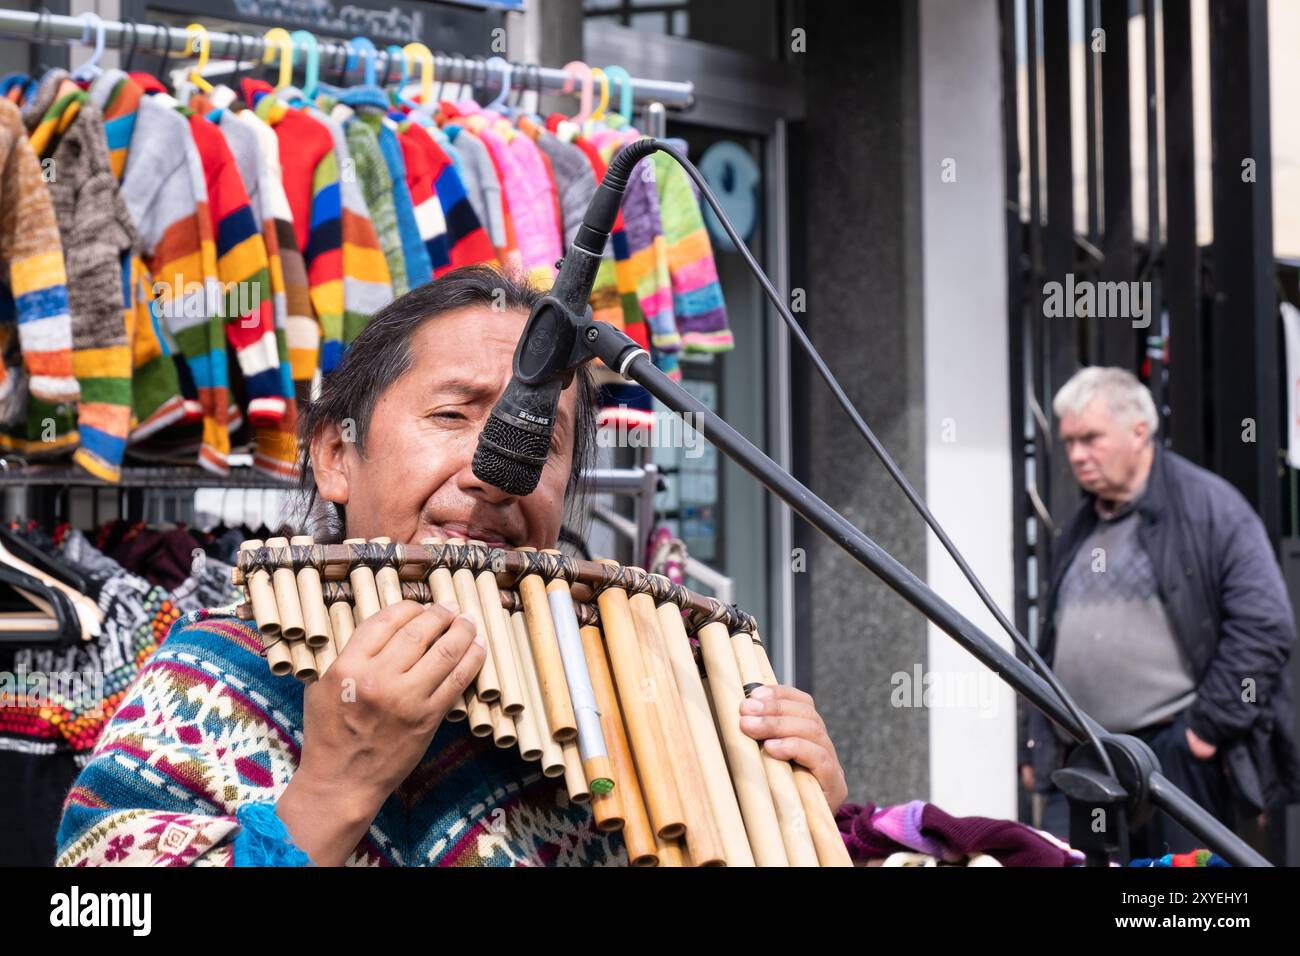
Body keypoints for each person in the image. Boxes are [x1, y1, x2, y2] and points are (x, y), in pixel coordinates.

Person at [55, 266, 848, 867]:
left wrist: (791, 824)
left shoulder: (643, 702)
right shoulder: (215, 673)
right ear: (337, 455)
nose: (499, 469)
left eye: (543, 434)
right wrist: (332, 790)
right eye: (452, 415)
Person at [1020, 366, 1300, 858]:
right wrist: (1038, 742)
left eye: (1090, 438)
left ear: (1139, 431)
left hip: (1172, 758)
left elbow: (1264, 623)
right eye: (1069, 442)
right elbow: (1048, 644)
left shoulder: (1209, 507)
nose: (1077, 456)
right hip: (1085, 757)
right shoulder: (1081, 525)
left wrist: (1205, 729)